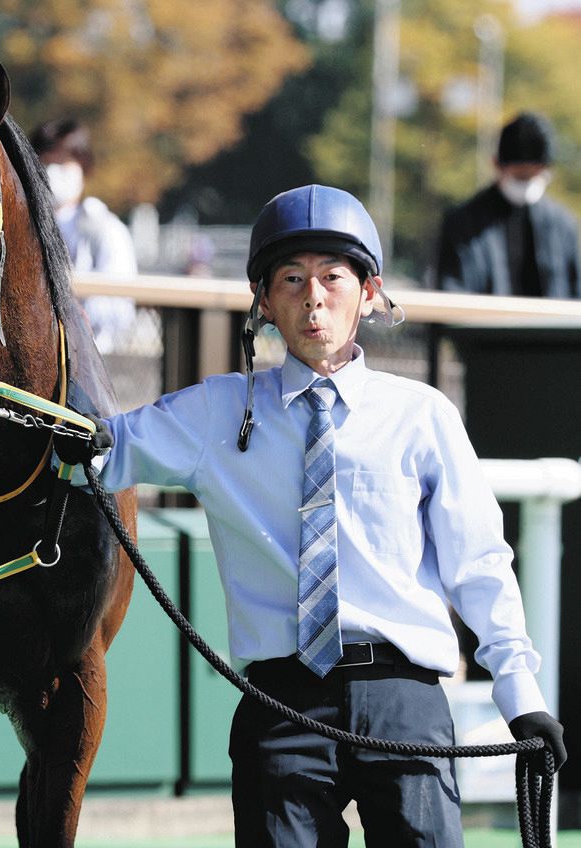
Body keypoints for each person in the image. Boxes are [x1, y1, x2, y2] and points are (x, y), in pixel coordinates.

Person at [58, 184, 566, 846]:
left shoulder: (423, 415)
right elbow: (96, 455)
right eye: (291, 279)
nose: (313, 296)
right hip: (282, 703)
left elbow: (480, 565)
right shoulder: (216, 412)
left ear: (371, 293)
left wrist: (520, 697)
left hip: (405, 700)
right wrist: (62, 428)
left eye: (332, 277)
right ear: (264, 301)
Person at [435, 111, 579, 298]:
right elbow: (451, 291)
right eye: (520, 175)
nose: (527, 182)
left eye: (534, 174)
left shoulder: (563, 226)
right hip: (485, 326)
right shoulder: (462, 224)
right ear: (497, 165)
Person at [30, 118, 138, 352]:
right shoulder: (26, 224)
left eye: (64, 164)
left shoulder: (105, 229)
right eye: (46, 163)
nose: (53, 173)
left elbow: (122, 310)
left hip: (93, 356)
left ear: (83, 167)